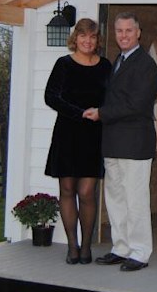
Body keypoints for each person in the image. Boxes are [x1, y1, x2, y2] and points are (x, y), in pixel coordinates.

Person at [82, 12, 157, 272]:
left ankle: (140, 252)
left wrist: (101, 113)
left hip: (135, 145)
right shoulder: (118, 60)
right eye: (119, 31)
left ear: (138, 33)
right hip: (113, 142)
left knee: (135, 200)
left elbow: (137, 105)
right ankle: (121, 247)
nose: (124, 35)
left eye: (128, 30)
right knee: (115, 198)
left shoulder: (146, 65)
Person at [44, 18, 112, 265]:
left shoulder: (105, 66)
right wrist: (79, 113)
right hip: (67, 134)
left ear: (97, 40)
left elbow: (112, 98)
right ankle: (72, 246)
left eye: (92, 36)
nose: (88, 41)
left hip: (94, 135)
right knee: (67, 189)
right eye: (83, 36)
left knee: (86, 192)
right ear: (76, 38)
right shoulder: (63, 64)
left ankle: (86, 246)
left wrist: (101, 113)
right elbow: (50, 97)